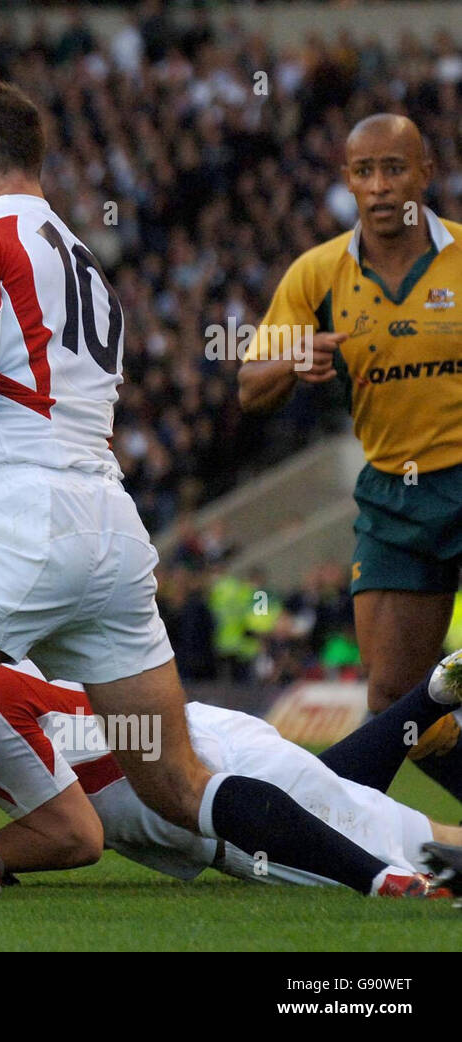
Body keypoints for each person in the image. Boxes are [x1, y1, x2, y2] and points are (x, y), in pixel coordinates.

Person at [0, 82, 437, 899]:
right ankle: (380, 878)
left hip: (21, 525)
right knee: (179, 780)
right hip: (111, 532)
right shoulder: (87, 262)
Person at [238, 113, 462, 802]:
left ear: (425, 174)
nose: (380, 185)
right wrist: (292, 360)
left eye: (395, 168)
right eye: (363, 171)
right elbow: (250, 387)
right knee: (396, 698)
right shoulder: (318, 273)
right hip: (395, 496)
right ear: (347, 182)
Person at [0, 656, 462, 893]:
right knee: (339, 805)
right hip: (210, 744)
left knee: (429, 853)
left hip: (218, 787)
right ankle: (432, 694)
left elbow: (76, 838)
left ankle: (388, 882)